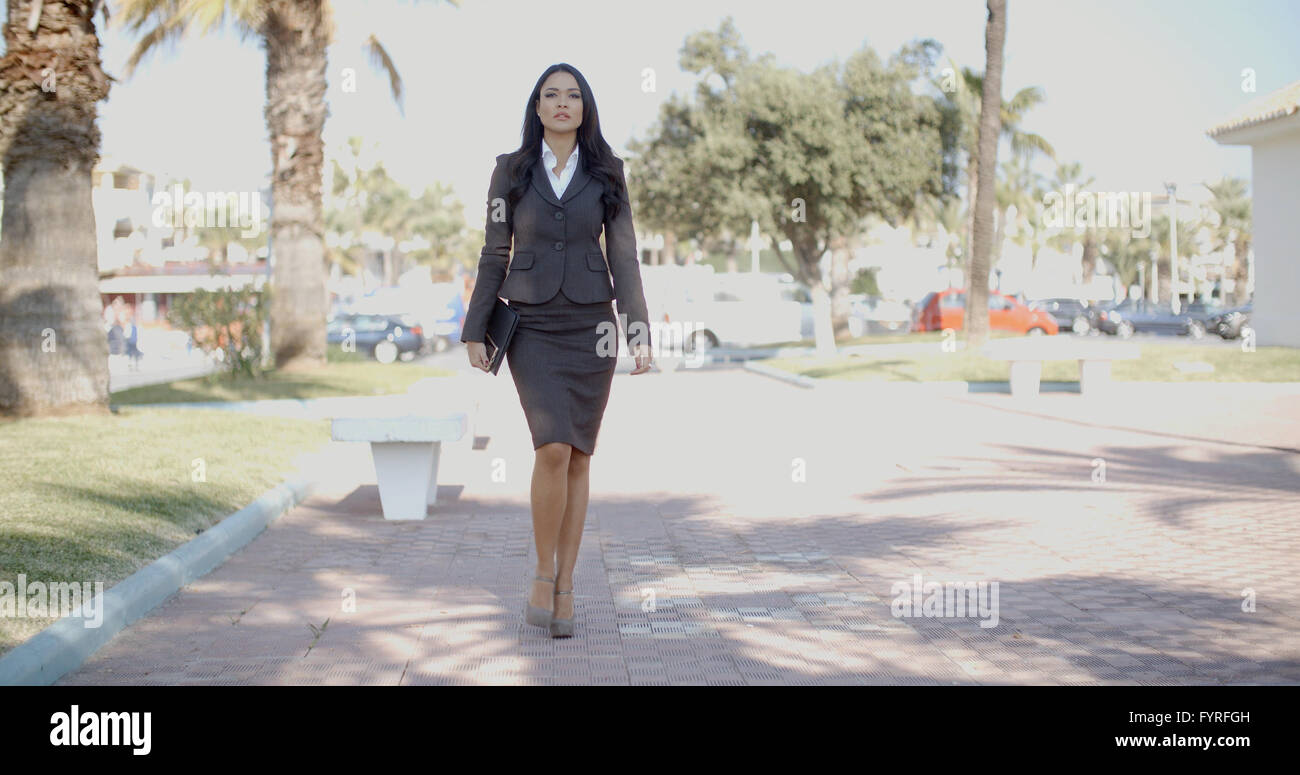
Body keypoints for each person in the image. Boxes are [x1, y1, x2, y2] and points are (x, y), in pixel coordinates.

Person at [461, 64, 653, 638]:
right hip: (534, 326)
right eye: (552, 95)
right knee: (551, 447)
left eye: (573, 95)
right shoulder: (510, 171)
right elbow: (495, 251)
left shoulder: (608, 172)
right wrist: (475, 327)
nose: (562, 103)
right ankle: (543, 571)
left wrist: (637, 328)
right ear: (537, 108)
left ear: (585, 108)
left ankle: (568, 585)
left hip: (592, 325)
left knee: (579, 455)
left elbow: (625, 255)